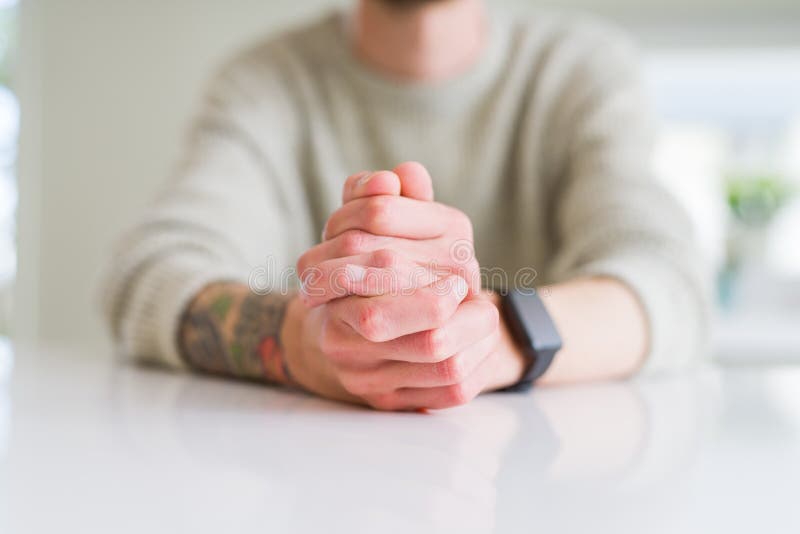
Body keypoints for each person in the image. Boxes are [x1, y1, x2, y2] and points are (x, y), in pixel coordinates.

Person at [102, 0, 708, 411]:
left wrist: (489, 339)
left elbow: (670, 280)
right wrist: (305, 344)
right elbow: (148, 275)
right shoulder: (263, 83)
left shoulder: (580, 69)